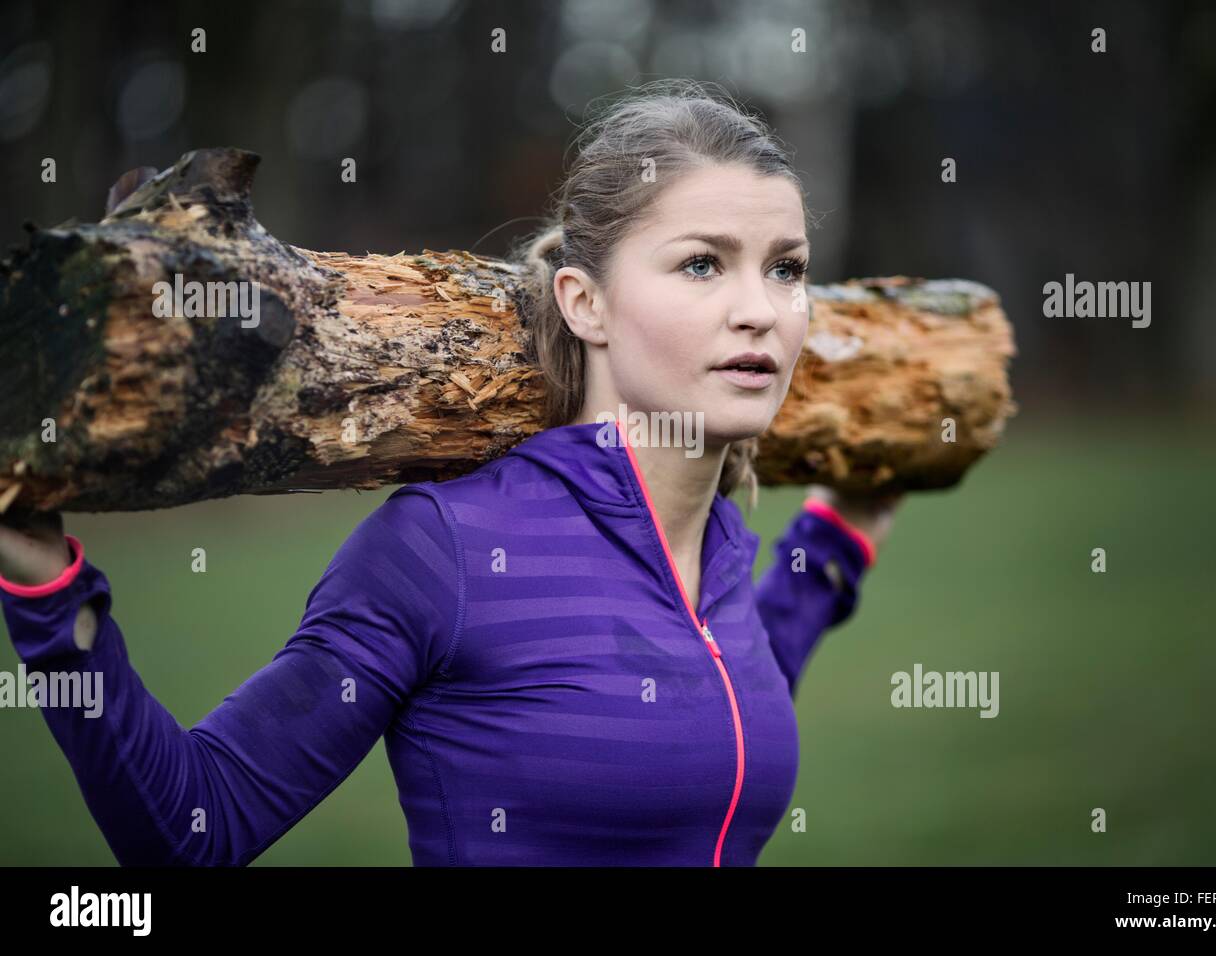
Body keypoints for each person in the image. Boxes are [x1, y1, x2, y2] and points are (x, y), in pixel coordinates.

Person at [0, 78, 902, 866]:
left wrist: (838, 537)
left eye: (786, 268)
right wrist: (47, 594)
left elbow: (718, 698)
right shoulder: (447, 551)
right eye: (702, 263)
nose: (760, 311)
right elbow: (196, 827)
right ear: (585, 303)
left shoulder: (722, 554)